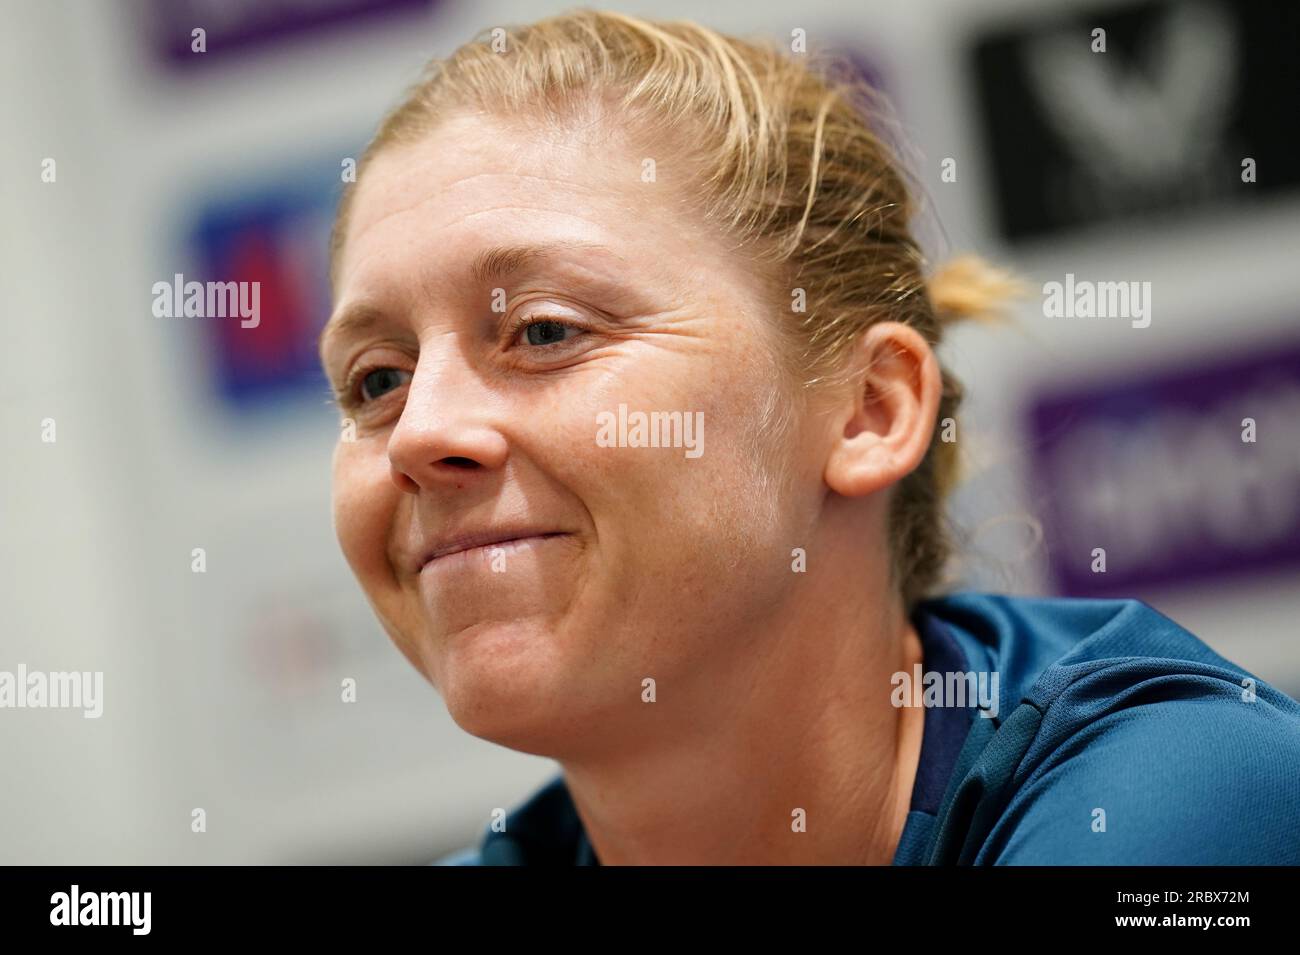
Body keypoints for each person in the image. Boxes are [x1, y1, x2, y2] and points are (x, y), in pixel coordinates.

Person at [316, 10, 1300, 865]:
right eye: (377, 381)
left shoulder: (1183, 802)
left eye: (543, 330)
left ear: (869, 409)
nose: (420, 431)